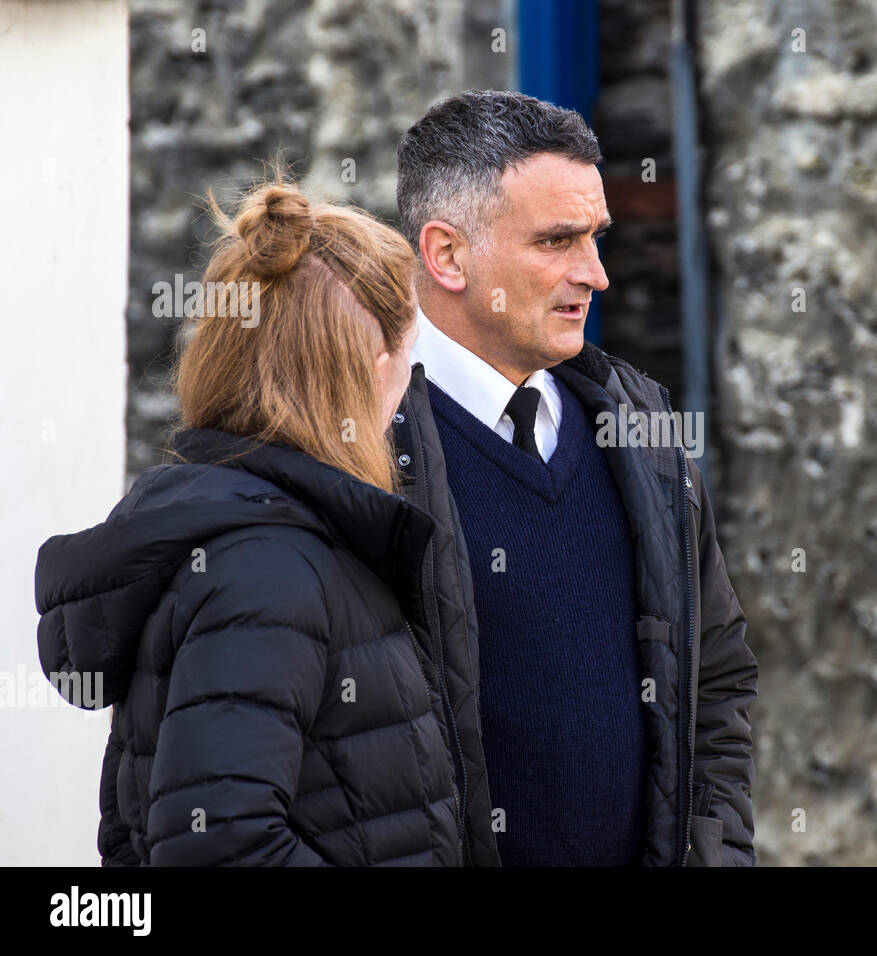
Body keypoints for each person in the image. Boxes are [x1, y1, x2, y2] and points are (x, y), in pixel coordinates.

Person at [33, 180, 462, 865]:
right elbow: (220, 846)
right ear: (368, 371)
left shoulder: (266, 538)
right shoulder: (266, 570)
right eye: (409, 359)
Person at [392, 89, 758, 866]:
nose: (595, 274)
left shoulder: (643, 434)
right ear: (447, 254)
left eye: (596, 237)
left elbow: (716, 684)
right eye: (557, 241)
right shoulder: (354, 448)